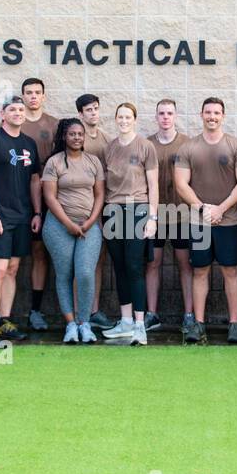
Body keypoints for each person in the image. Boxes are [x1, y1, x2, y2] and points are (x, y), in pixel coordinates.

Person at [173, 97, 237, 344]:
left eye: (217, 112)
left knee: (231, 271)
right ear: (201, 114)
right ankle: (198, 324)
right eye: (208, 112)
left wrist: (222, 209)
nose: (212, 117)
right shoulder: (188, 148)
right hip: (199, 223)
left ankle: (234, 324)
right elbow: (181, 183)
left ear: (223, 116)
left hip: (228, 221)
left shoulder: (236, 146)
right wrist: (201, 208)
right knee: (200, 271)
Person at [0, 96, 42, 350]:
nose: (17, 113)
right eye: (12, 109)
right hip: (0, 216)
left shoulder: (29, 143)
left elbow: (35, 180)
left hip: (23, 216)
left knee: (13, 268)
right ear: (2, 114)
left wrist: (36, 212)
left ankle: (5, 321)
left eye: (20, 109)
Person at [99, 103, 160, 344]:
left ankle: (139, 324)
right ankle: (124, 322)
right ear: (115, 119)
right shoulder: (110, 148)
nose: (124, 120)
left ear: (135, 119)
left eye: (128, 117)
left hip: (138, 209)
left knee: (135, 267)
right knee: (120, 267)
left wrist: (152, 217)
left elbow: (153, 185)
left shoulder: (145, 146)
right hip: (113, 211)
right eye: (120, 117)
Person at [41, 118, 105, 344]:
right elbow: (49, 197)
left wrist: (90, 221)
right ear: (64, 137)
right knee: (65, 274)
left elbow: (100, 195)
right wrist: (69, 224)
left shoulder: (93, 161)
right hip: (59, 226)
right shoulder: (54, 162)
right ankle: (70, 325)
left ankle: (84, 323)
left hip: (89, 226)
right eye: (72, 134)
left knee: (86, 273)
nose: (77, 137)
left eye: (80, 134)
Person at [145, 99, 194, 332]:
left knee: (185, 264)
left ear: (175, 116)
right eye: (161, 113)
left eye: (169, 113)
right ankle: (152, 314)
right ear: (156, 116)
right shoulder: (147, 144)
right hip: (155, 214)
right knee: (152, 263)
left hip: (181, 214)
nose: (165, 117)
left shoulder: (187, 144)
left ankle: (189, 315)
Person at [76, 93, 115, 330]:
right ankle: (79, 313)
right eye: (88, 110)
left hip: (102, 208)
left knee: (98, 260)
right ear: (80, 114)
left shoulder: (107, 140)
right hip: (78, 209)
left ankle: (94, 309)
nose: (93, 113)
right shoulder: (75, 139)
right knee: (80, 263)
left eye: (96, 109)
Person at [20, 78, 57, 332]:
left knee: (43, 253)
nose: (33, 96)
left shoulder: (53, 125)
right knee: (19, 257)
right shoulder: (14, 122)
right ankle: (13, 313)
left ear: (44, 96)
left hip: (50, 198)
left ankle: (38, 310)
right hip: (17, 196)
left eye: (37, 93)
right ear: (22, 96)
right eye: (28, 93)